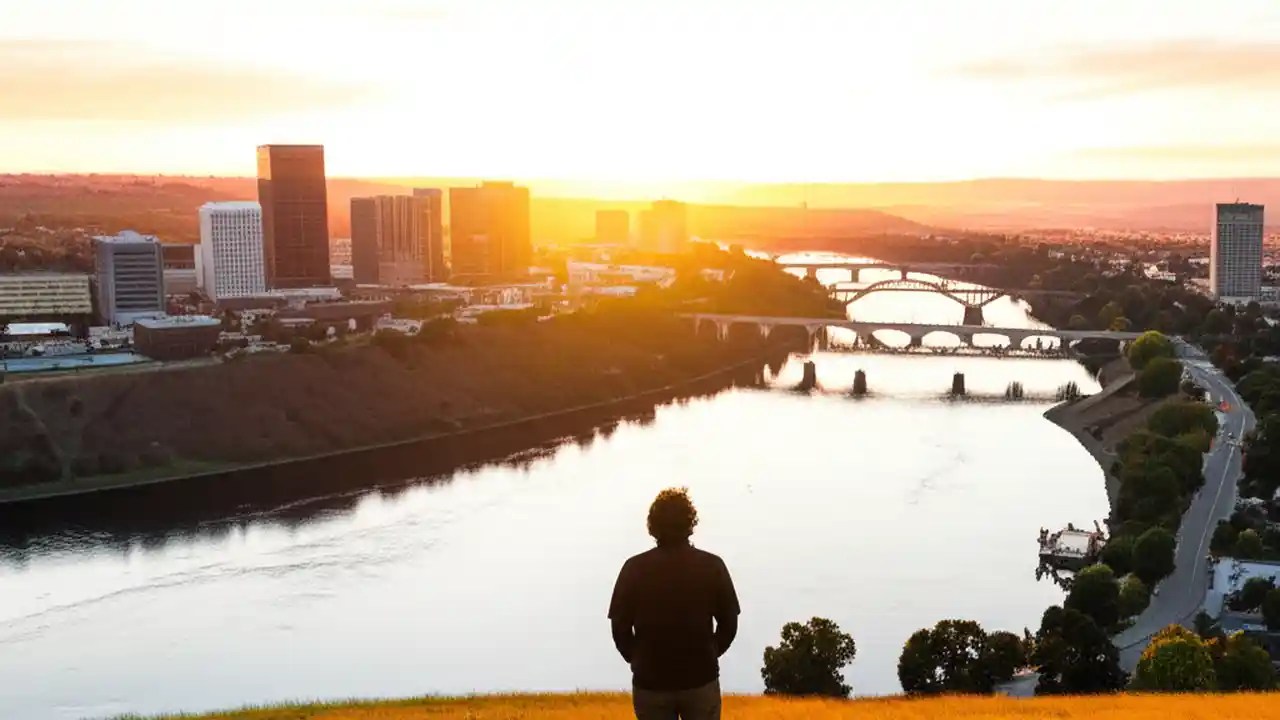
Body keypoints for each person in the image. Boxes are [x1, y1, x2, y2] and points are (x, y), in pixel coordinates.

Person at [609, 488, 740, 720]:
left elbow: (619, 628)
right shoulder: (712, 566)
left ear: (652, 524)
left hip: (650, 682)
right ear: (690, 522)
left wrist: (638, 659)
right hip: (701, 679)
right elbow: (729, 623)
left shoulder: (634, 568)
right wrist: (709, 653)